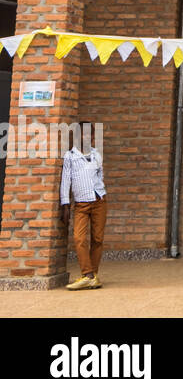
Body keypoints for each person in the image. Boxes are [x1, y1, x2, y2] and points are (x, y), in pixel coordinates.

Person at [59, 121, 107, 291]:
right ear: (77, 136)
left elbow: (100, 175)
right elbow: (66, 181)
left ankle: (92, 276)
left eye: (90, 134)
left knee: (97, 239)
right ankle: (88, 274)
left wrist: (101, 192)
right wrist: (65, 204)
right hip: (81, 203)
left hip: (99, 201)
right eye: (84, 133)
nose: (87, 137)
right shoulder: (70, 156)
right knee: (79, 239)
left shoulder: (96, 154)